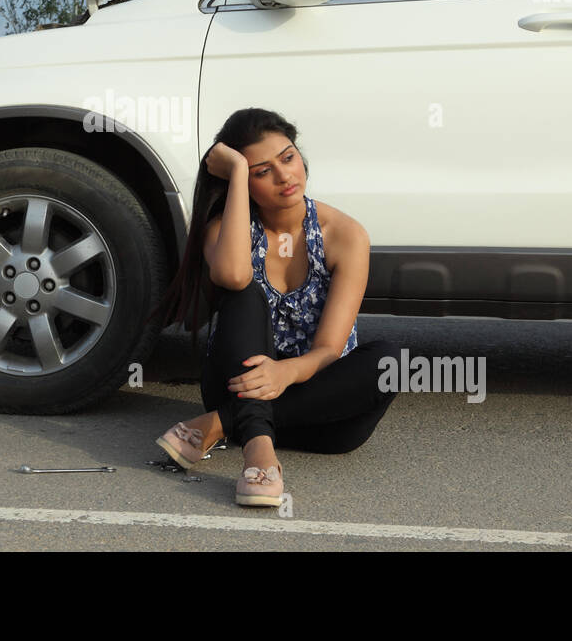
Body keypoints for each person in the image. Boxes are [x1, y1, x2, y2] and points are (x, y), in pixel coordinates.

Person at [150, 108, 398, 506]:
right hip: (238, 382)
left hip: (324, 410)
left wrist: (285, 372)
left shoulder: (346, 234)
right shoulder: (227, 229)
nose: (285, 176)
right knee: (244, 289)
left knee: (391, 360)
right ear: (241, 182)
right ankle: (259, 450)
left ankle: (221, 425)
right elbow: (231, 276)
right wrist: (235, 173)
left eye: (288, 157)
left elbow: (330, 349)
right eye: (261, 171)